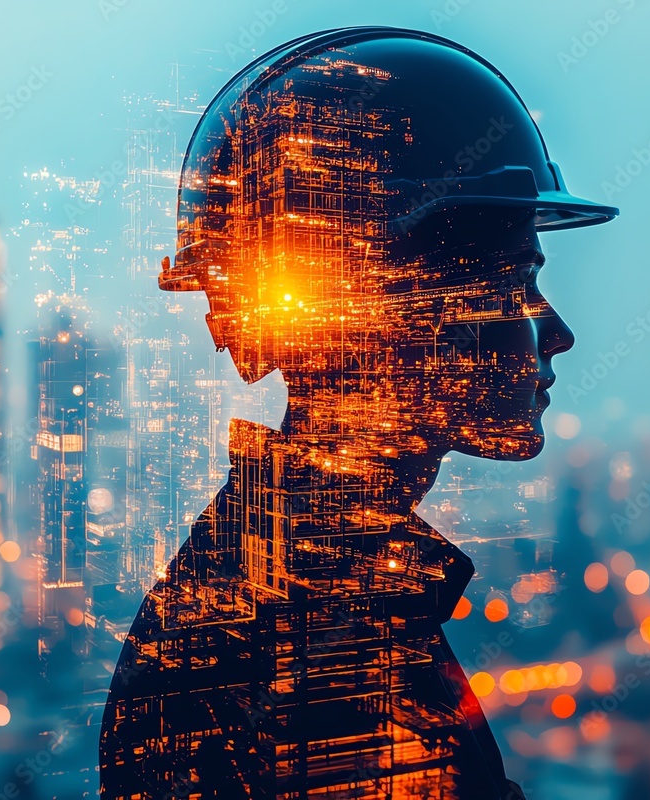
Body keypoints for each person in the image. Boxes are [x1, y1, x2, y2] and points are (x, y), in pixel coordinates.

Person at [100, 26, 617, 799]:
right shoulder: (315, 648)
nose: (557, 333)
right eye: (514, 284)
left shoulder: (292, 585)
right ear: (384, 314)